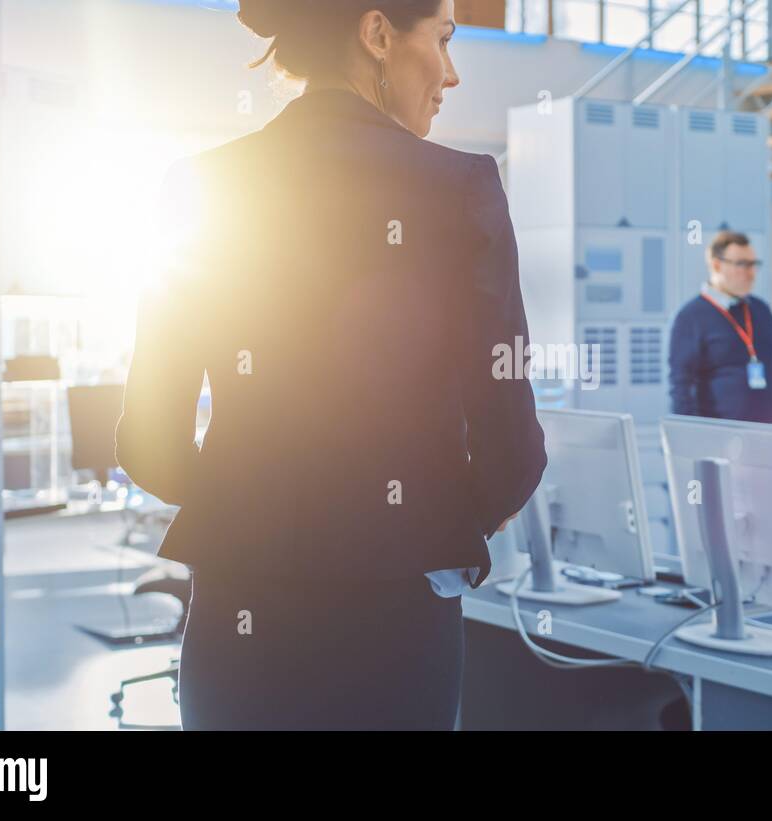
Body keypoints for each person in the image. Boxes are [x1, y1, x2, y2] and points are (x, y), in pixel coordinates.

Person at [115, 0, 546, 730]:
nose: (452, 74)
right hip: (397, 626)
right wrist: (422, 525)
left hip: (239, 617)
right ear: (377, 34)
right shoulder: (462, 189)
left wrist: (246, 507)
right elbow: (512, 451)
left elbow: (147, 441)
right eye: (442, 40)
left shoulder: (199, 186)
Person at [667, 231, 772, 425]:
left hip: (768, 433)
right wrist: (693, 442)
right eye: (742, 264)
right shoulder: (691, 317)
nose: (751, 273)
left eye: (754, 264)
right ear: (716, 265)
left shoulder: (760, 309)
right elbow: (681, 387)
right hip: (720, 439)